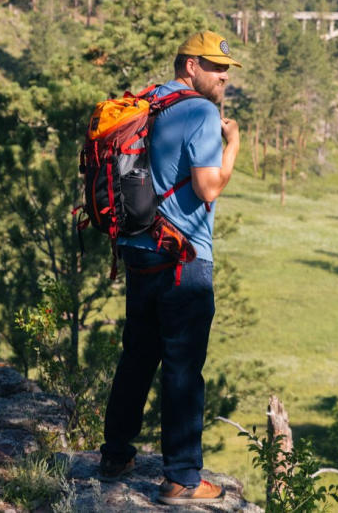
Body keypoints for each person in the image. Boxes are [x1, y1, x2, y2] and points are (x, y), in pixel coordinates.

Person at [98, 30, 241, 504]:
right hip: (185, 258)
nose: (223, 75)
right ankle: (181, 478)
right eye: (214, 66)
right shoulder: (202, 111)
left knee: (137, 355)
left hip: (139, 250)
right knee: (183, 369)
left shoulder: (150, 101)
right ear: (189, 66)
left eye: (225, 68)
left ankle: (116, 454)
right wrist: (233, 144)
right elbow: (208, 188)